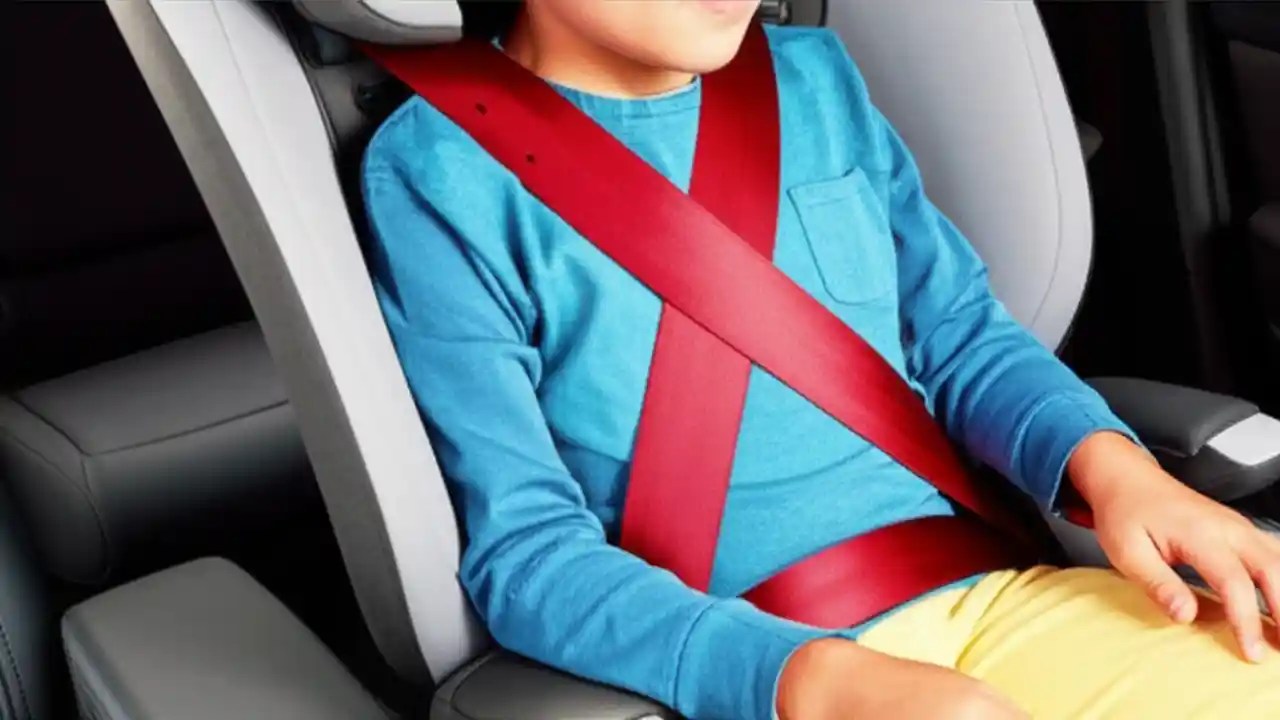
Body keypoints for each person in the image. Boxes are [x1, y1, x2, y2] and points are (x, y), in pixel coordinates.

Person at [361, 1, 1280, 718]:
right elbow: (529, 554)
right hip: (752, 669)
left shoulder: (814, 82)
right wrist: (805, 680)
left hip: (1010, 596)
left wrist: (1122, 475)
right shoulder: (443, 173)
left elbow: (961, 337)